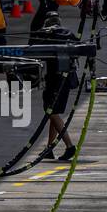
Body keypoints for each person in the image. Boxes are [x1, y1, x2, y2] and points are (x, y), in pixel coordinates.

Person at [30, 11, 80, 160]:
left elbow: (31, 51)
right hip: (66, 77)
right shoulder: (68, 33)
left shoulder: (44, 34)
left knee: (51, 111)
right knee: (54, 112)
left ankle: (69, 146)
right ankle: (49, 149)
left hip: (53, 79)